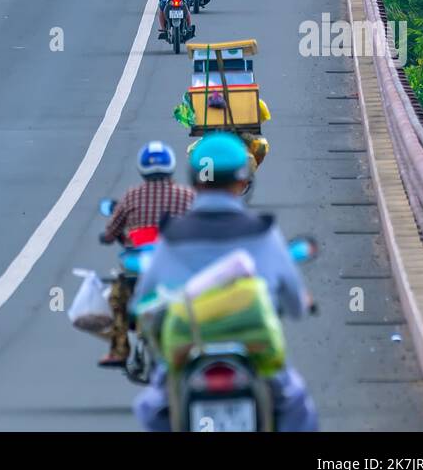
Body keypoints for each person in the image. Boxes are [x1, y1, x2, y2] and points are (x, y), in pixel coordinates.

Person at [131, 133, 318, 433]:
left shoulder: (171, 236)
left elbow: (142, 303)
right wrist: (301, 304)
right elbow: (295, 304)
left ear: (194, 180)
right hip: (253, 351)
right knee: (296, 404)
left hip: (188, 348)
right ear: (242, 182)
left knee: (151, 409)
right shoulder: (263, 233)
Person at [97, 143, 195, 368]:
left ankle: (120, 350)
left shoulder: (132, 196)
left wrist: (109, 236)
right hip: (177, 265)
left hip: (139, 266)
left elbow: (112, 231)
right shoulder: (187, 195)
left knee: (117, 298)